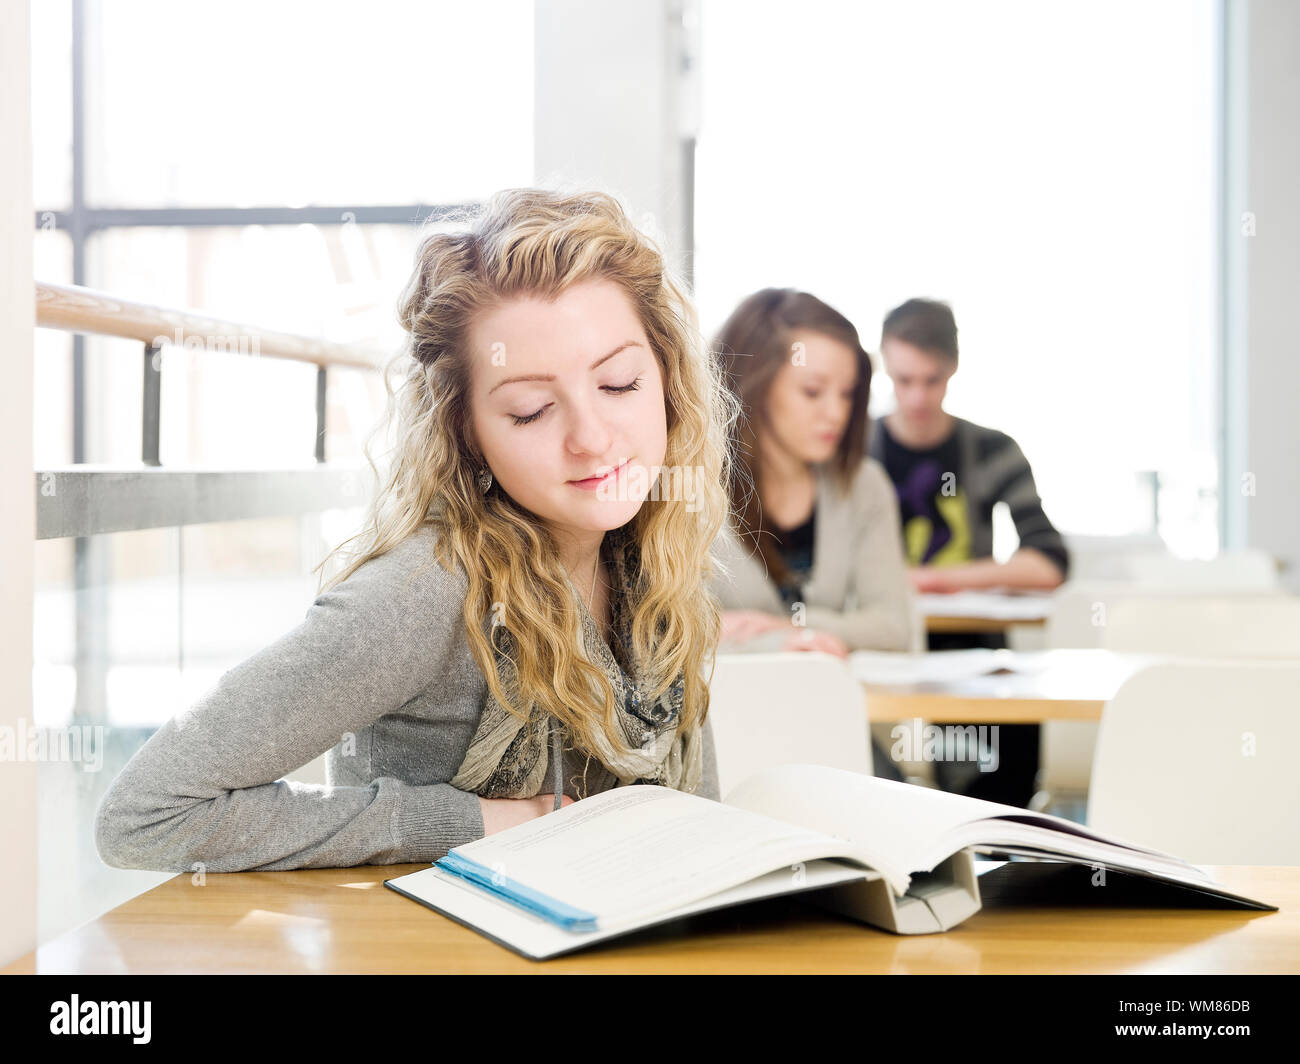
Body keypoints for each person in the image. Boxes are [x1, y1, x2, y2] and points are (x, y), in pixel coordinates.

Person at [93, 188, 737, 873]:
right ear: (466, 429)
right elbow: (144, 815)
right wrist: (470, 822)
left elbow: (697, 819)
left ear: (666, 377)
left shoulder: (656, 559)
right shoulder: (425, 592)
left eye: (618, 384)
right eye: (529, 411)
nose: (591, 437)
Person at [709, 289, 921, 779]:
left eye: (847, 394)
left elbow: (893, 630)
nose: (836, 413)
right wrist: (795, 642)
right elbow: (664, 642)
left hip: (834, 734)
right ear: (753, 383)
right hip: (719, 742)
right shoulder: (683, 491)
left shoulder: (863, 487)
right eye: (812, 391)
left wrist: (783, 631)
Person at [869, 297, 1069, 806]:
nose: (916, 396)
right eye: (903, 380)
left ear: (952, 369)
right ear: (885, 366)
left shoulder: (993, 451)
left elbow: (1048, 561)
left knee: (1004, 771)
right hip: (881, 642)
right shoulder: (856, 453)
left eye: (930, 380)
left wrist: (936, 579)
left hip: (975, 653)